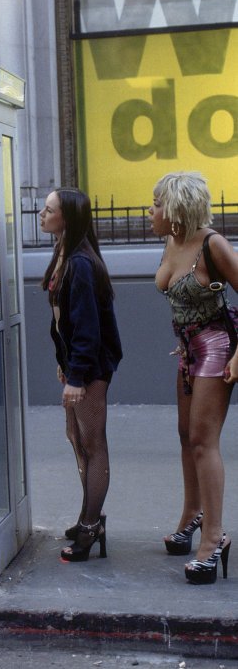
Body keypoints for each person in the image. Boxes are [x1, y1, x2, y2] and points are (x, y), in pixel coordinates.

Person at [149, 171, 238, 584]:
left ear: (177, 208)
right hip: (188, 348)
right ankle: (192, 516)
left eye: (156, 204)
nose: (151, 211)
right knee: (185, 436)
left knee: (204, 441)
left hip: (217, 347)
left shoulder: (211, 244)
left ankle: (214, 538)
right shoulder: (172, 240)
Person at [40, 188, 122, 562]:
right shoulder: (64, 255)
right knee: (77, 439)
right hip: (78, 364)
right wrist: (66, 362)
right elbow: (65, 323)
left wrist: (77, 377)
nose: (42, 214)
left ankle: (91, 527)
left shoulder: (81, 264)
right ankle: (89, 516)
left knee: (93, 444)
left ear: (66, 219)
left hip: (90, 369)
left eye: (49, 210)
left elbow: (87, 327)